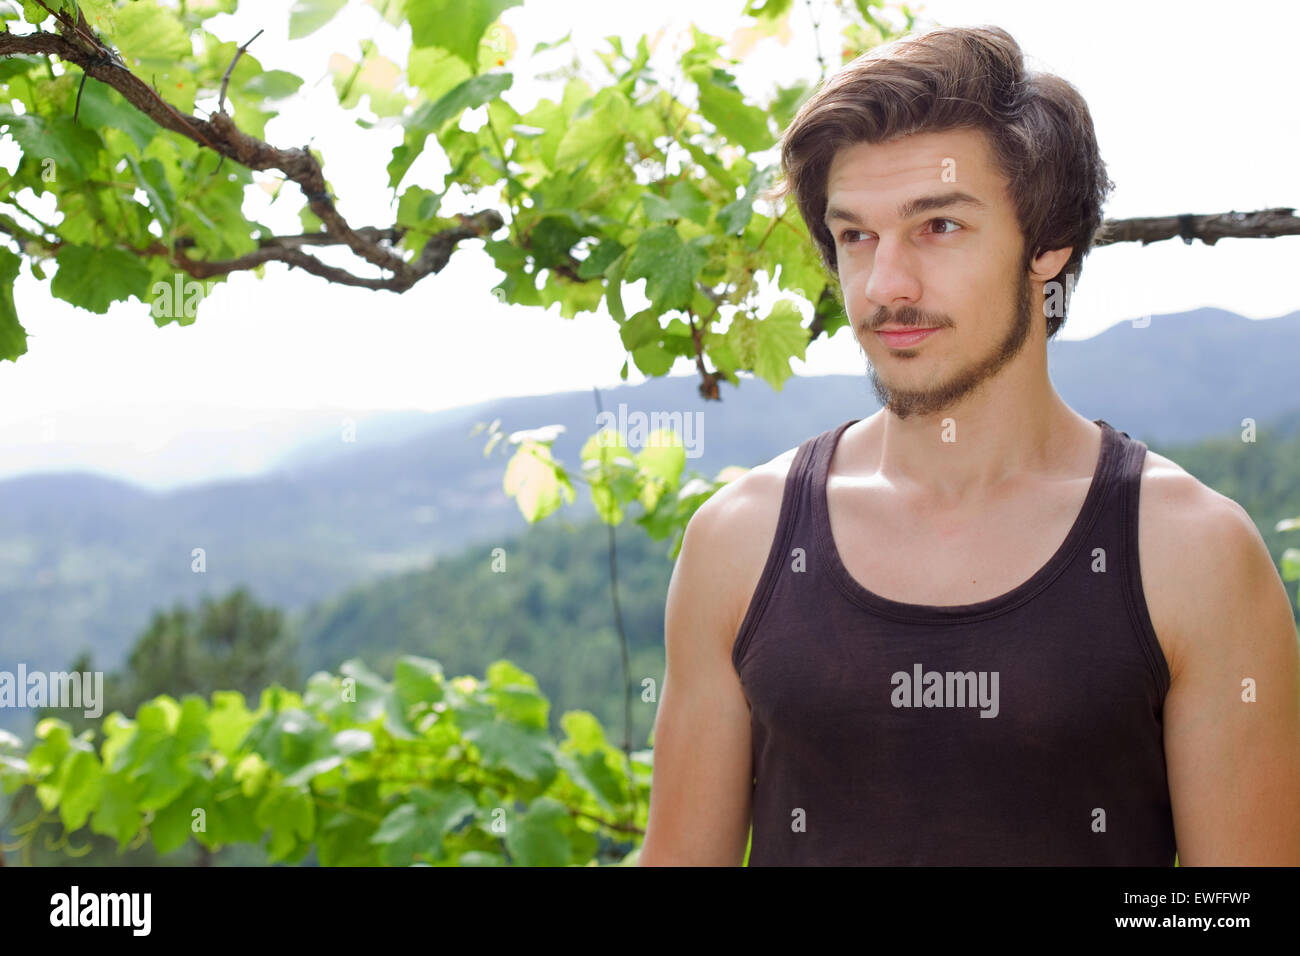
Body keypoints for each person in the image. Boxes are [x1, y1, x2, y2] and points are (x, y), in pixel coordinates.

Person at [637, 24, 1300, 865]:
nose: (886, 286)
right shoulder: (740, 540)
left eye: (939, 226)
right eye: (855, 236)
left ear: (1048, 246)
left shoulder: (1193, 552)